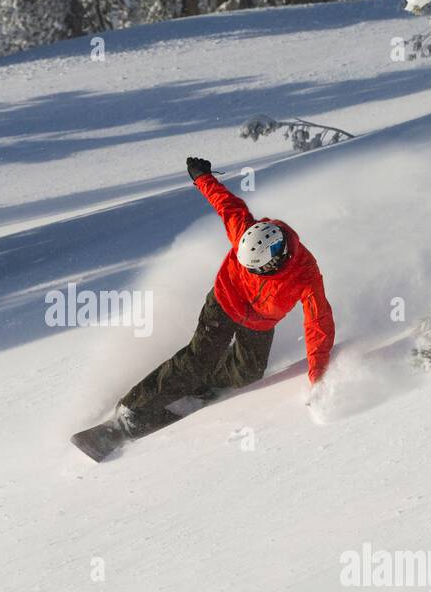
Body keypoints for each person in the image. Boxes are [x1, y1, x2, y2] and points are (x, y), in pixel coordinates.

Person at [113, 156, 335, 439]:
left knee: (247, 373)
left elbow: (319, 325)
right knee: (197, 359)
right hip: (223, 302)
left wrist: (319, 377)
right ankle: (133, 409)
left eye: (255, 269)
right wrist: (201, 177)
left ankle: (200, 385)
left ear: (273, 263)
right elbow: (225, 203)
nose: (249, 271)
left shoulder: (306, 275)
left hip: (259, 323)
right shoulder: (244, 230)